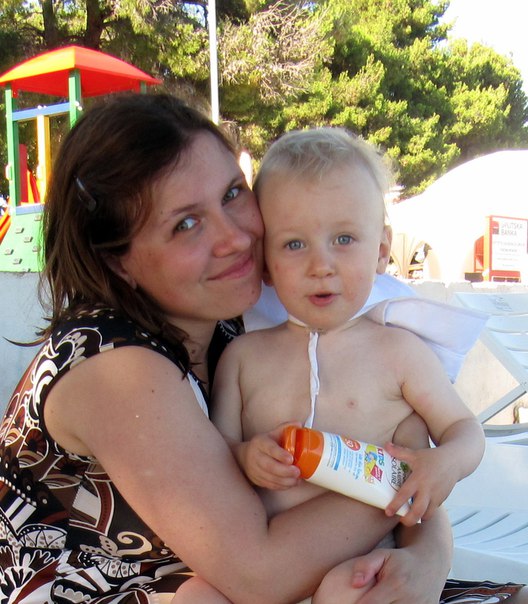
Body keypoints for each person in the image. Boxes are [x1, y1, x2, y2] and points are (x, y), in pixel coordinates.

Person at [0, 93, 522, 604]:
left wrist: (428, 556)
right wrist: (397, 478)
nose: (235, 238)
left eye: (232, 194)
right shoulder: (115, 368)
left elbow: (416, 459)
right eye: (186, 224)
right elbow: (262, 577)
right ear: (119, 262)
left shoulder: (237, 326)